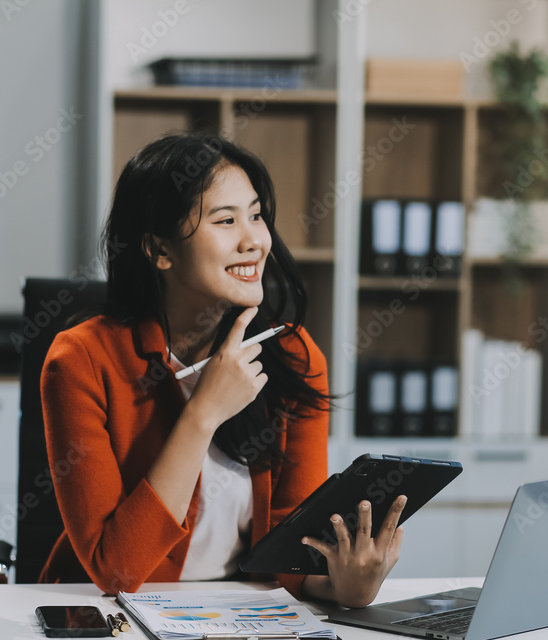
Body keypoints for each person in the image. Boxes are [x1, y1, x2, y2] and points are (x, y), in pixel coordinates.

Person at [37, 132, 406, 608]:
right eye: (226, 220)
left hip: (234, 619)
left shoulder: (293, 355)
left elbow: (291, 549)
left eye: (256, 215)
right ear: (159, 250)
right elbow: (117, 570)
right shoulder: (81, 360)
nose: (254, 241)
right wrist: (204, 413)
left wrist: (341, 585)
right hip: (103, 618)